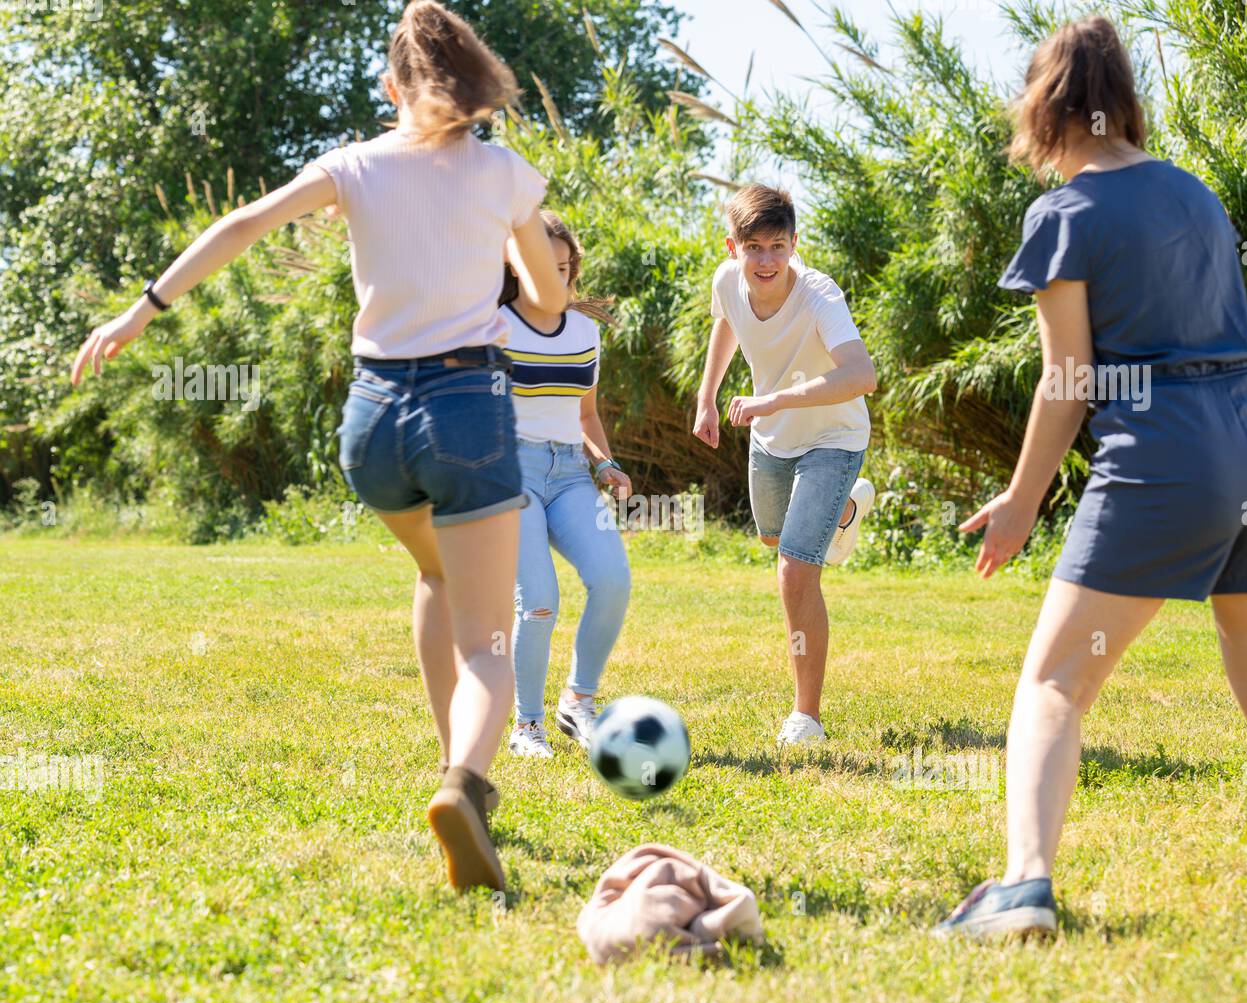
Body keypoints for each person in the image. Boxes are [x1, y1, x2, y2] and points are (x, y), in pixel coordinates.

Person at [69, 0, 569, 893]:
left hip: (373, 420)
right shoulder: (504, 173)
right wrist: (490, 269)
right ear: (471, 85)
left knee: (436, 576)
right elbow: (543, 300)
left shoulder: (355, 165)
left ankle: (448, 760)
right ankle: (467, 787)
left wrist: (138, 311)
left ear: (392, 88)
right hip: (464, 407)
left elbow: (243, 226)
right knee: (491, 638)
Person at [937, 15, 1247, 939]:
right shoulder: (1196, 194)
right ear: (1122, 98)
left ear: (1045, 106)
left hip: (1170, 449)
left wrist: (1021, 502)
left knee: (1055, 683)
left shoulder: (1065, 214)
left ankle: (1023, 887)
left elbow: (1068, 381)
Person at [693, 184, 877, 747]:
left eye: (779, 246)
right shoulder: (727, 282)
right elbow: (726, 321)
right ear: (733, 248)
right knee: (776, 542)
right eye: (755, 248)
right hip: (772, 441)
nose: (768, 260)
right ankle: (845, 510)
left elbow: (861, 375)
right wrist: (707, 398)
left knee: (796, 570)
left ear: (796, 244)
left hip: (833, 436)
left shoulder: (820, 295)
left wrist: (773, 399)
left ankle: (807, 717)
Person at [498, 211, 632, 758]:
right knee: (540, 601)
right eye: (541, 269)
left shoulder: (585, 332)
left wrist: (606, 464)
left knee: (613, 580)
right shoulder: (494, 327)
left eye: (563, 268)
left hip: (572, 475)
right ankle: (526, 727)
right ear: (514, 266)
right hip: (512, 474)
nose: (555, 282)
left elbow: (586, 417)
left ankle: (578, 702)